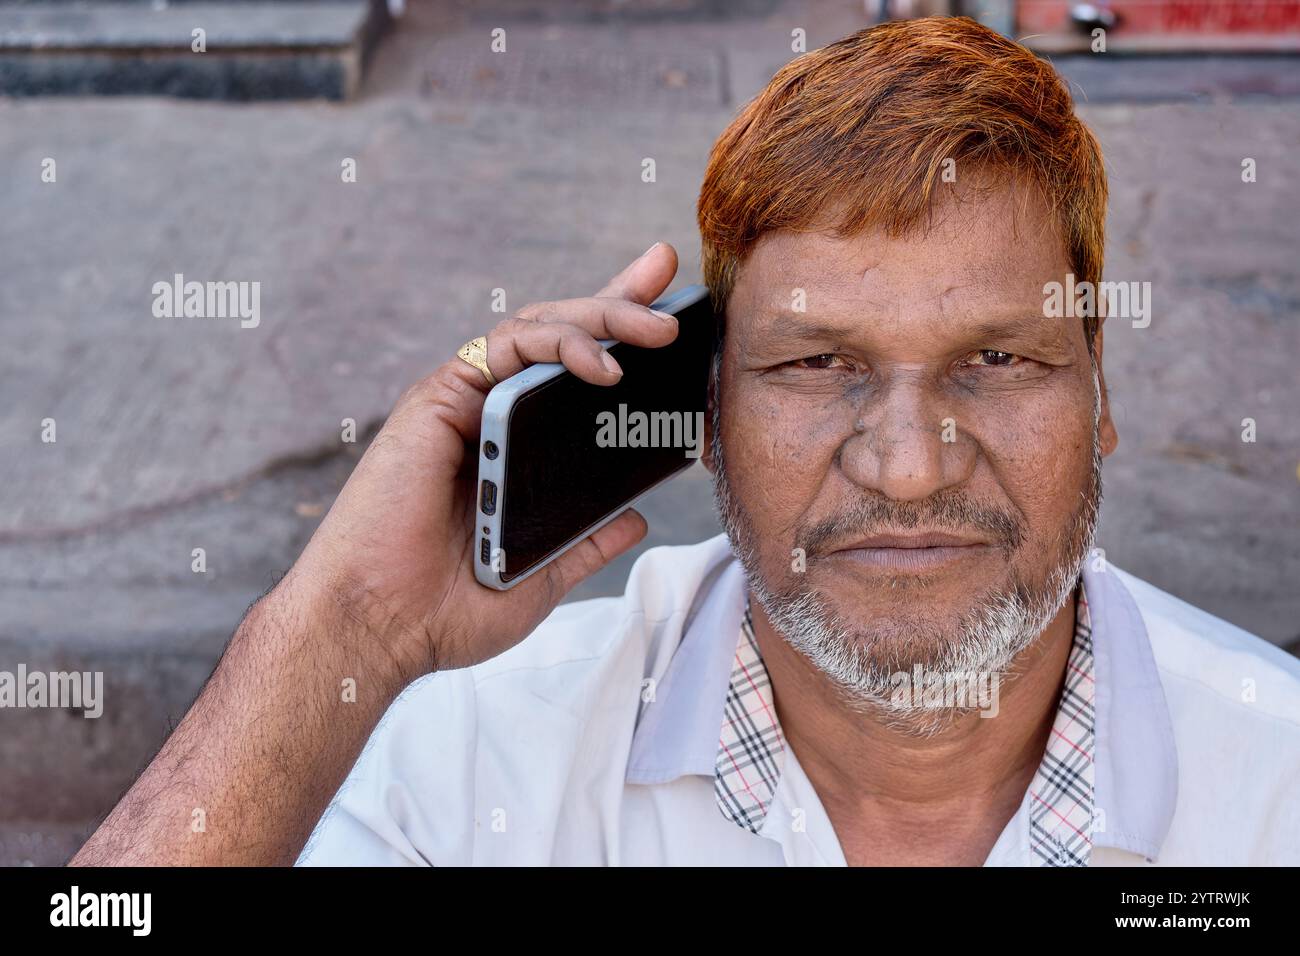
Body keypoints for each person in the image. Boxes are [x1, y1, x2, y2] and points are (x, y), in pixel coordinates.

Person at [73, 16, 1299, 867]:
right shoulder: (479, 755)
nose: (910, 464)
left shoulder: (1273, 774)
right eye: (819, 364)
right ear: (706, 417)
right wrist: (340, 628)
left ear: (1099, 392)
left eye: (997, 358)